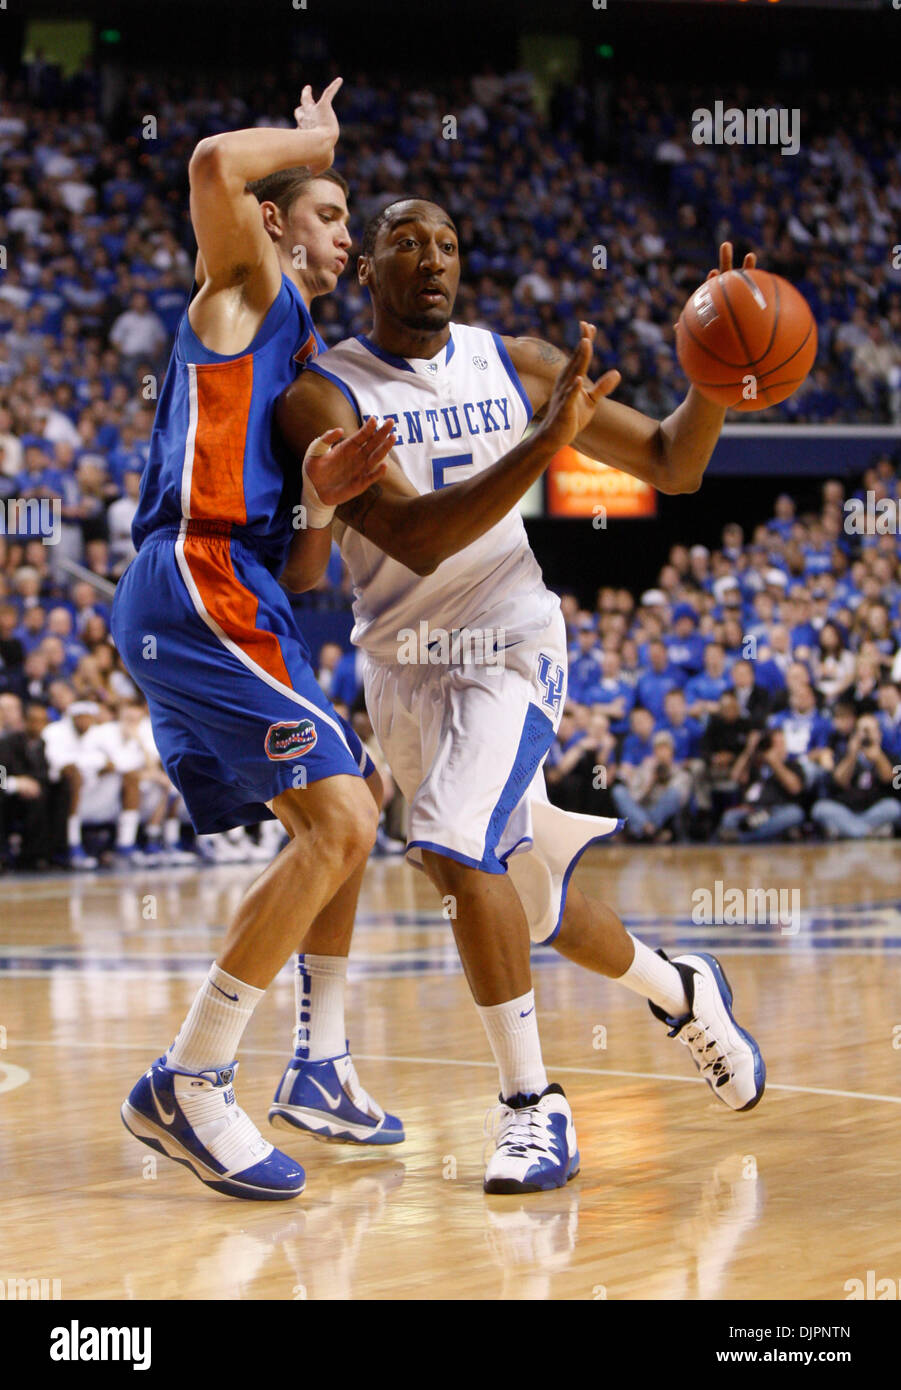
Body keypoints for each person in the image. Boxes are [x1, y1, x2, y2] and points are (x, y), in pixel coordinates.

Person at [110, 93, 605, 1200]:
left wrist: (323, 509)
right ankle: (191, 1076)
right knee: (345, 819)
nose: (345, 233)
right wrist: (313, 142)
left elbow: (304, 584)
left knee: (349, 798)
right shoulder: (245, 290)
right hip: (192, 573)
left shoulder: (296, 366)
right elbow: (206, 164)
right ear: (277, 225)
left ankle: (319, 1055)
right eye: (332, 213)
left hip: (235, 589)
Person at [278, 199, 766, 1196]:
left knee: (456, 843)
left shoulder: (520, 360)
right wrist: (545, 445)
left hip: (509, 649)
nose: (431, 261)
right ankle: (682, 988)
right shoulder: (319, 395)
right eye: (407, 243)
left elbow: (675, 462)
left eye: (449, 244)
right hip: (403, 668)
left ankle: (531, 1107)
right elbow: (412, 539)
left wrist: (714, 372)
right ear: (368, 263)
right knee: (524, 899)